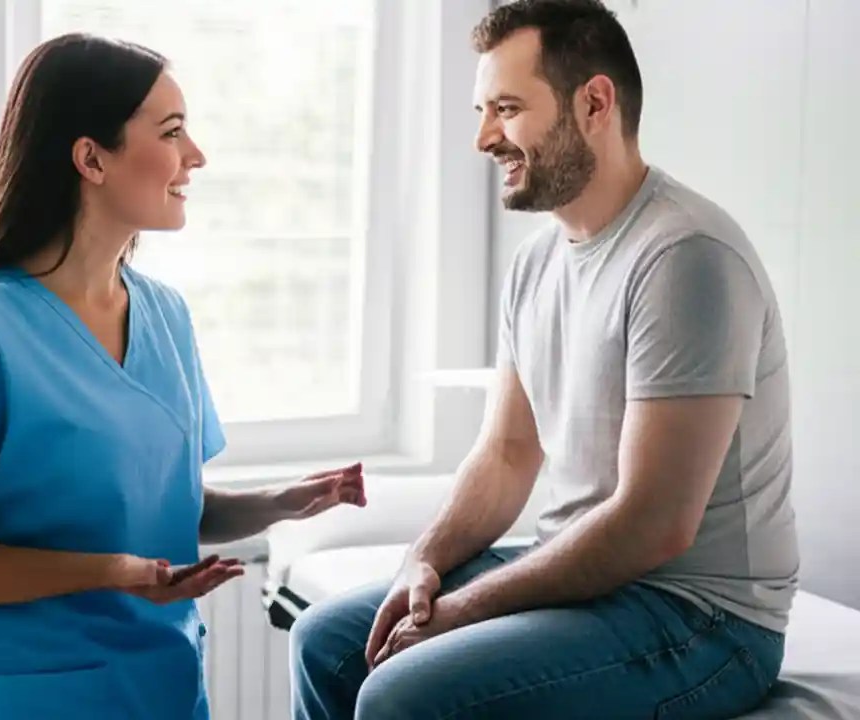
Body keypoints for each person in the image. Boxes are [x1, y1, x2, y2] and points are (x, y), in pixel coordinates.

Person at [290, 1, 797, 718]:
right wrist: (424, 562)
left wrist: (463, 612)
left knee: (405, 695)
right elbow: (505, 455)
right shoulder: (537, 265)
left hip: (701, 616)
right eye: (480, 109)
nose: (482, 138)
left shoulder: (686, 258)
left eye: (505, 108)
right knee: (325, 643)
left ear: (594, 102)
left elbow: (656, 524)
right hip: (597, 584)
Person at [0, 33, 367, 720]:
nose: (196, 155)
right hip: (30, 693)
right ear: (90, 158)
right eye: (171, 131)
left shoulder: (166, 315)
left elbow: (163, 507)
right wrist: (109, 573)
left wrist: (279, 502)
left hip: (162, 682)